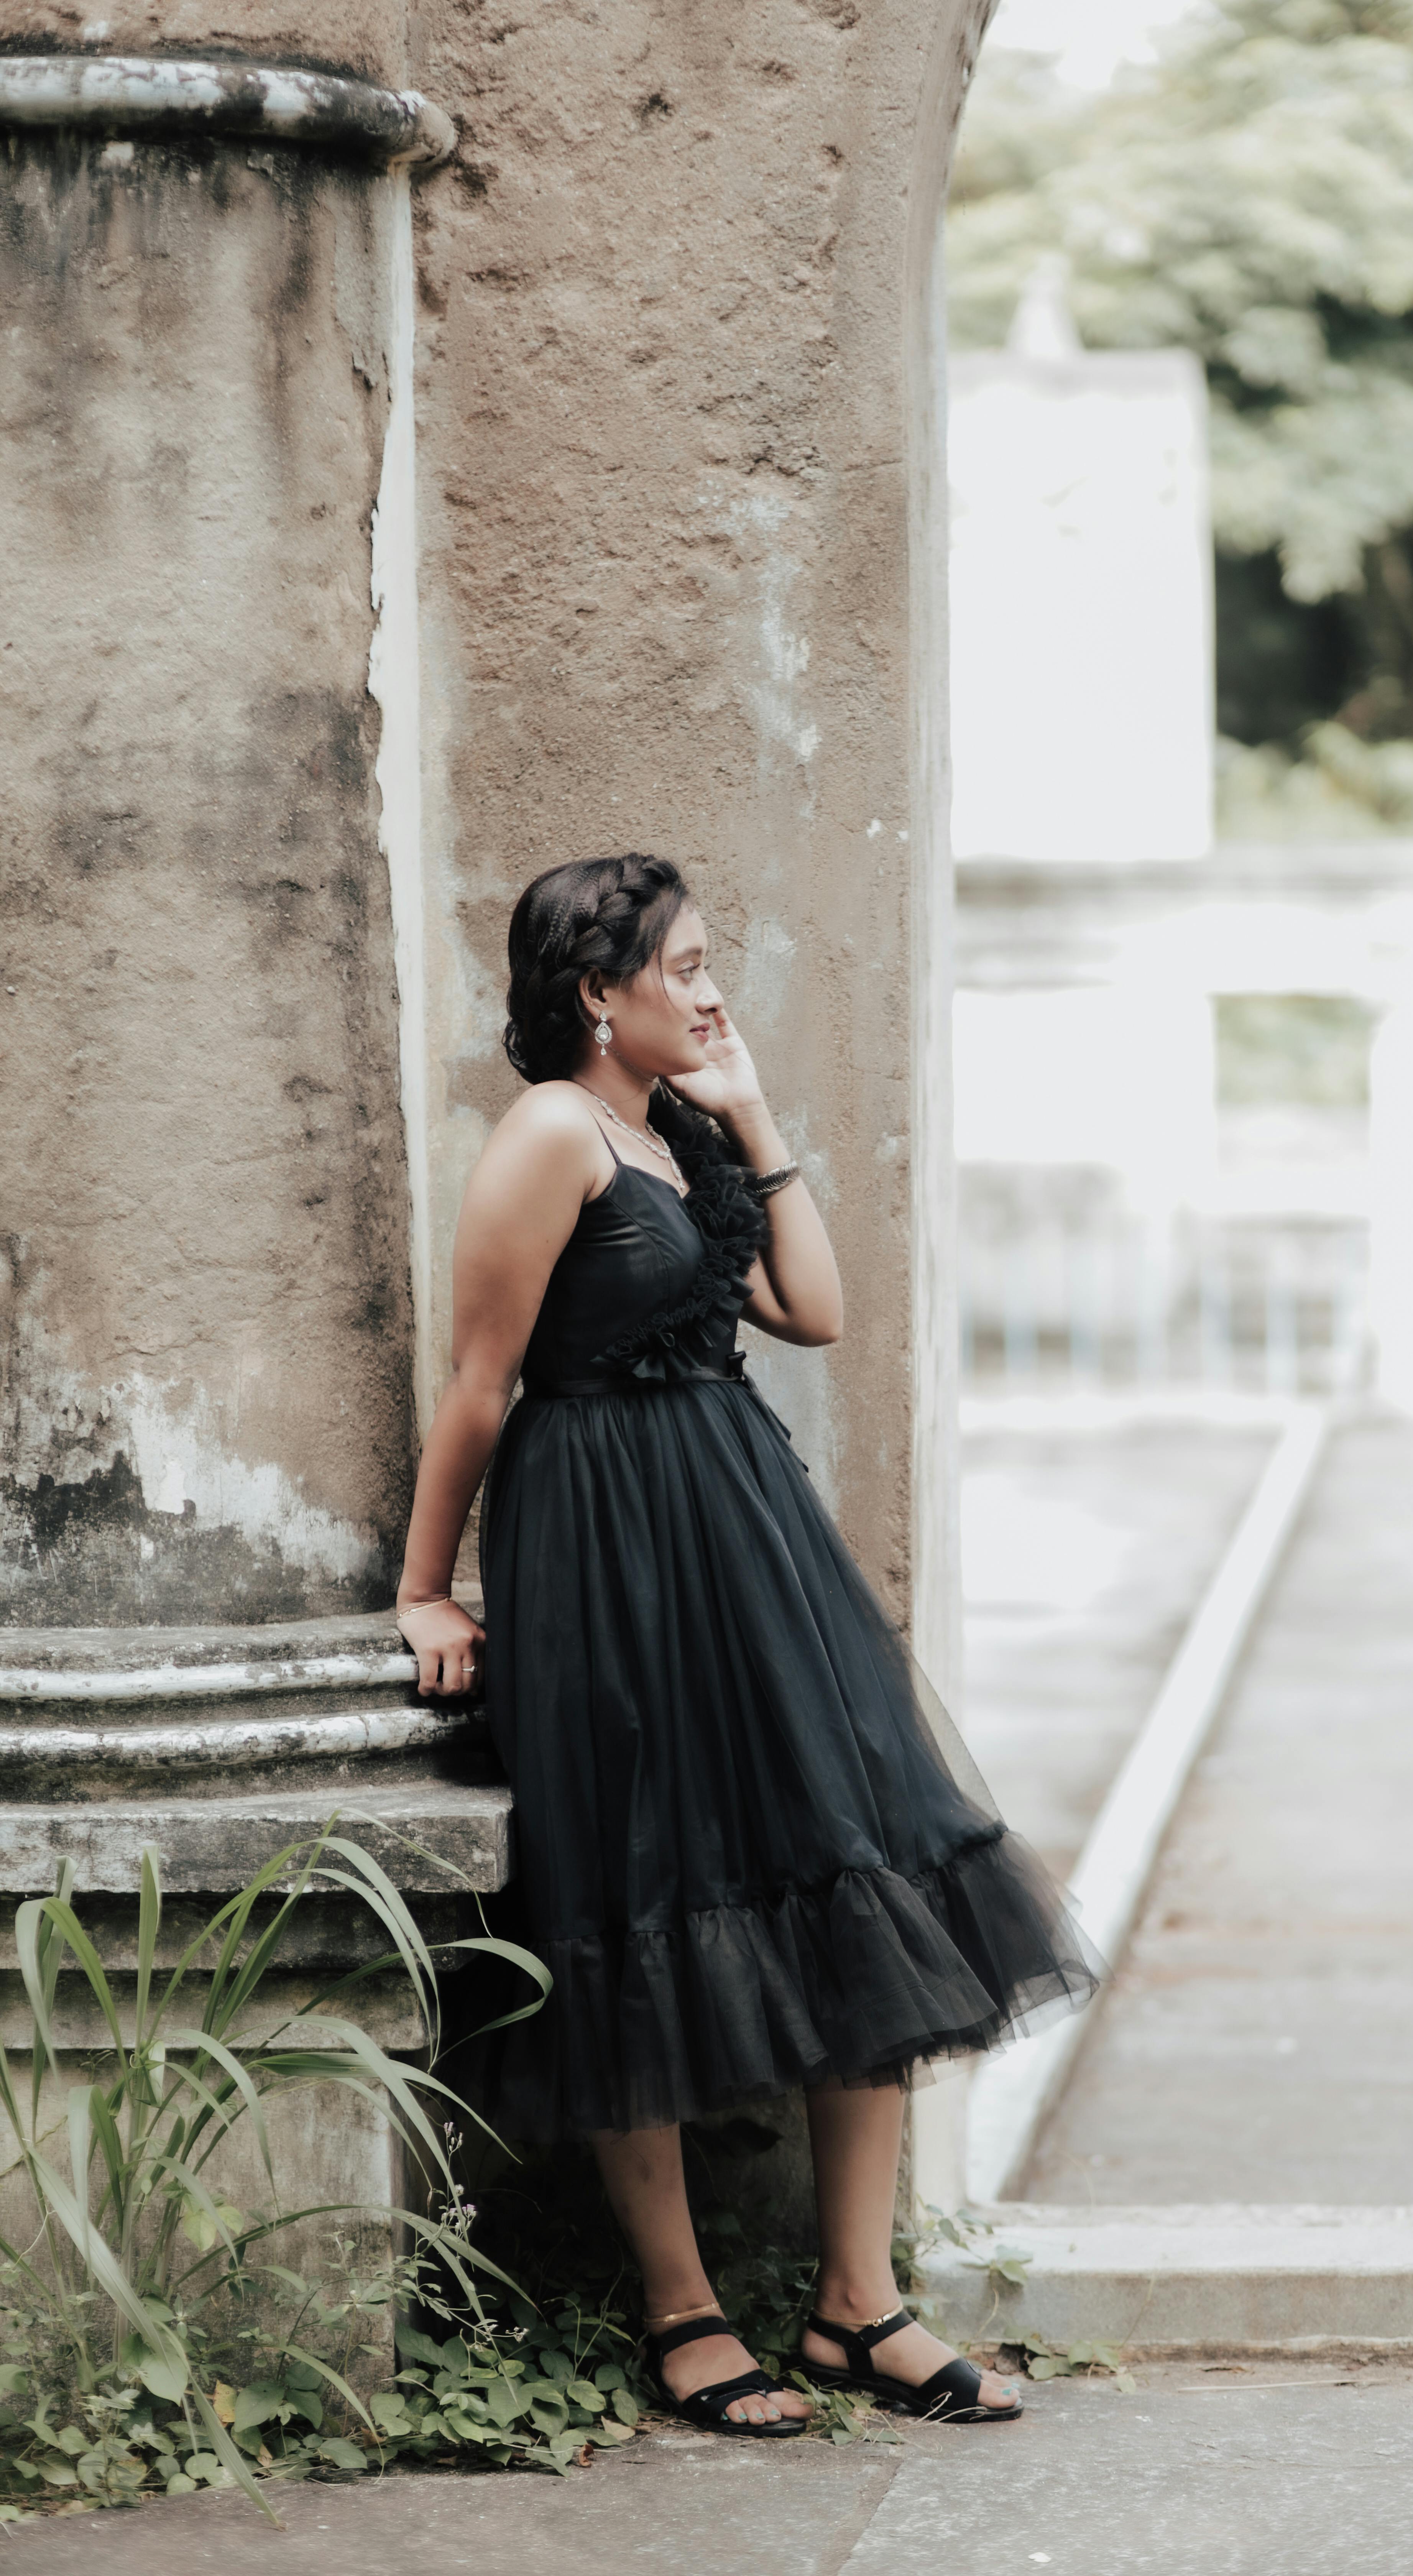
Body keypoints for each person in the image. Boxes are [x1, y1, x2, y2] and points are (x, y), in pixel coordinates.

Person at [395, 853, 1096, 2434]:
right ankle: (683, 2309)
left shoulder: (677, 1132)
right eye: (688, 965)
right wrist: (429, 1589)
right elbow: (478, 1385)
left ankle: (860, 2308)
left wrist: (758, 1118)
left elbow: (816, 1310)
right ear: (598, 990)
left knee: (870, 1854)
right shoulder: (550, 1135)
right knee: (629, 1884)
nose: (714, 990)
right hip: (602, 1539)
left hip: (744, 1534)